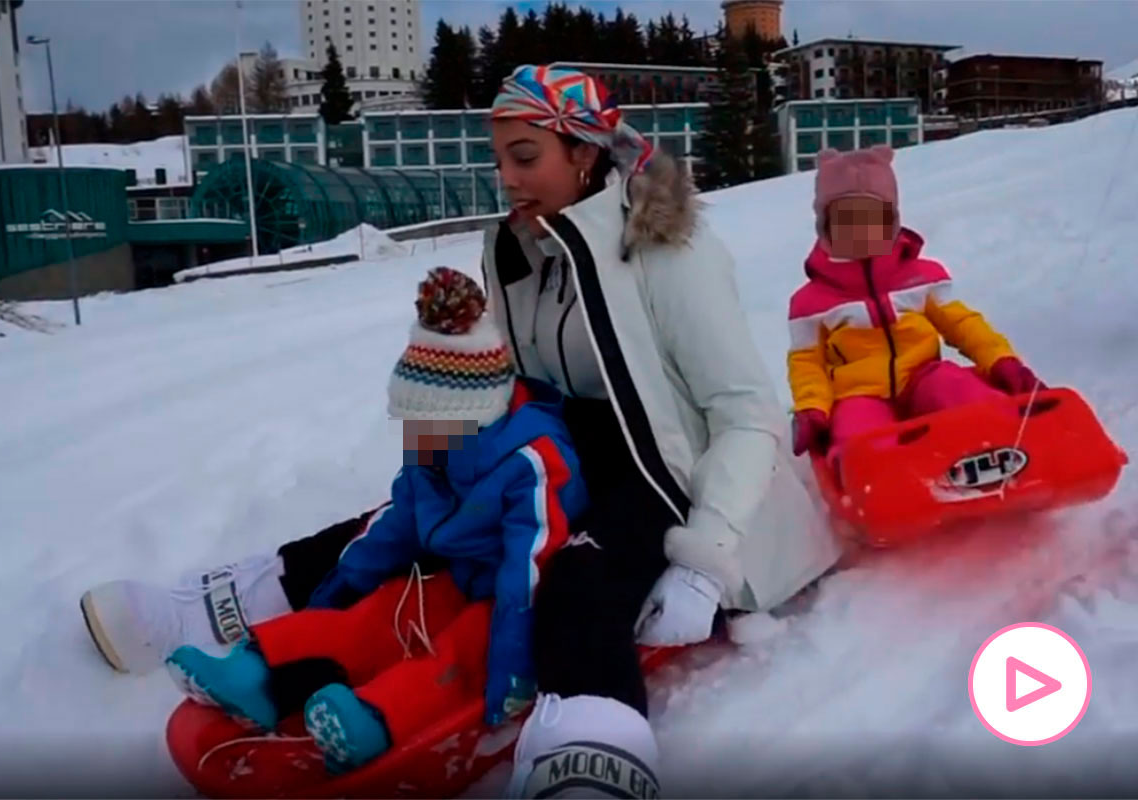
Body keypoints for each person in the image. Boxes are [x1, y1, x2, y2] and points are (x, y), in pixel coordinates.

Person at [81, 65, 841, 798]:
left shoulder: (667, 249)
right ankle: (218, 607)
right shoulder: (520, 249)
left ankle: (592, 757)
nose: (506, 178)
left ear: (583, 153)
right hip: (567, 451)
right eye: (499, 159)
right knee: (417, 522)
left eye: (525, 157)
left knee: (576, 589)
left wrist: (706, 556)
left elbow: (743, 410)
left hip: (666, 472)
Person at [165, 267, 588, 774]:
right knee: (376, 615)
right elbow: (395, 525)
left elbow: (530, 569)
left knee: (460, 651)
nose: (412, 437)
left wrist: (515, 668)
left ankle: (373, 718)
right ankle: (256, 674)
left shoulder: (533, 461)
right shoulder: (434, 455)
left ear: (468, 415)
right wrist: (341, 588)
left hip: (517, 601)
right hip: (456, 580)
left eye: (423, 426)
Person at [788, 146, 1045, 466]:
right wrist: (813, 409)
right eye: (847, 220)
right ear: (826, 226)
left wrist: (1001, 361)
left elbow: (963, 324)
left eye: (872, 219)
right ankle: (877, 476)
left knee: (960, 392)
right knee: (860, 439)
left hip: (924, 377)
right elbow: (807, 362)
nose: (861, 231)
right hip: (859, 395)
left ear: (891, 221)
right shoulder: (811, 302)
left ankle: (1006, 444)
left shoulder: (921, 277)